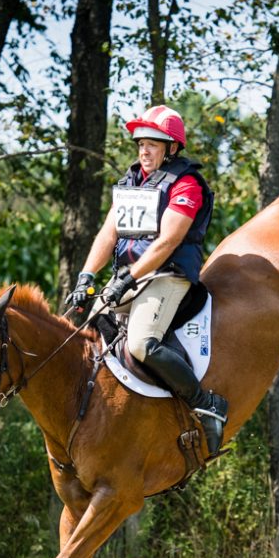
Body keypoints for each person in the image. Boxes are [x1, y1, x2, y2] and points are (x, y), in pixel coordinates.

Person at [65, 105, 228, 457]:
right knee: (85, 336)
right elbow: (108, 235)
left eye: (153, 144)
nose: (144, 150)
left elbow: (168, 241)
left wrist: (128, 278)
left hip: (167, 277)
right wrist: (85, 277)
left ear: (171, 149)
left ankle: (206, 404)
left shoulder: (186, 183)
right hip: (130, 277)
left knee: (141, 344)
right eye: (140, 143)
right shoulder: (130, 182)